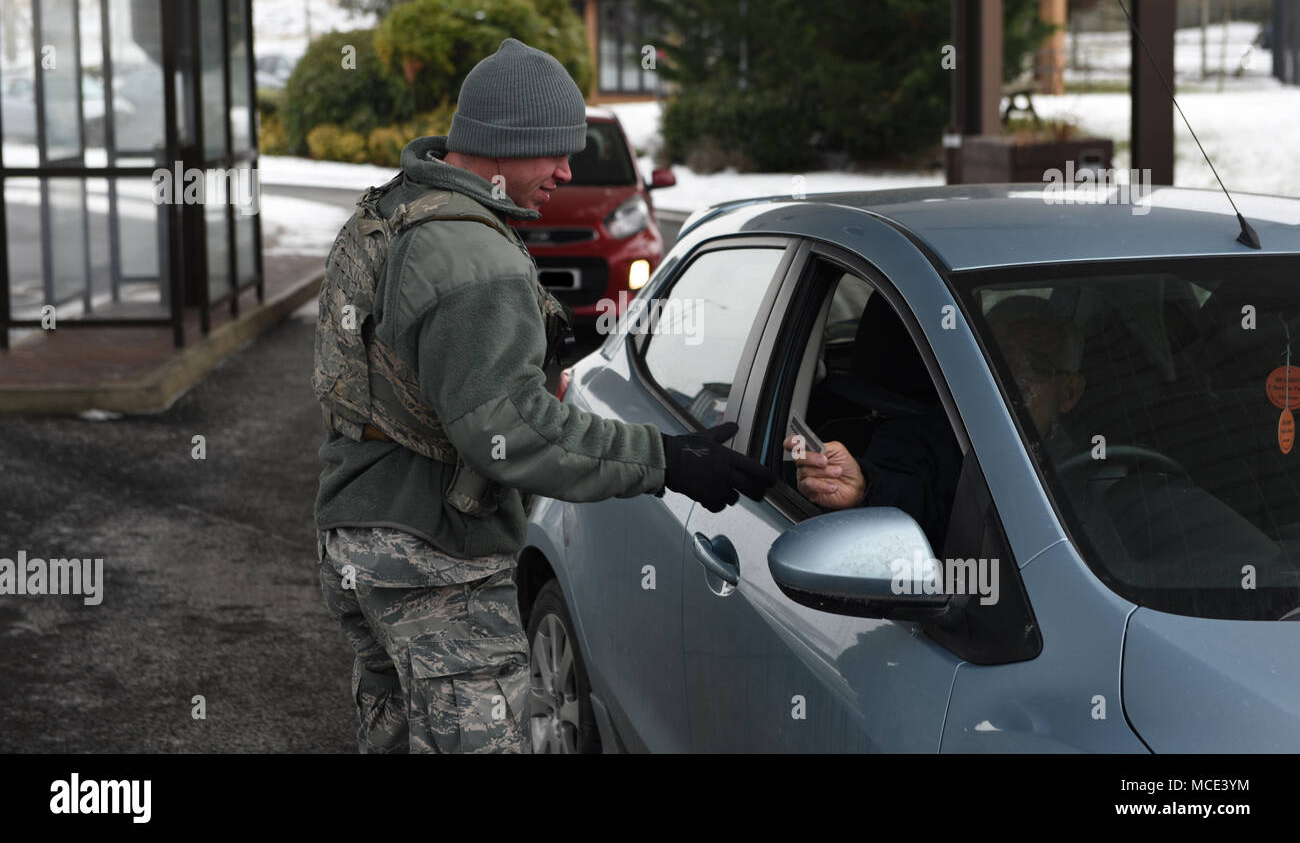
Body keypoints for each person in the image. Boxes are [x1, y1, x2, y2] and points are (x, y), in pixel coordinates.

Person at [314, 37, 775, 754]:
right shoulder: (477, 260)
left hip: (360, 537)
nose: (567, 169)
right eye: (553, 151)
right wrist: (666, 459)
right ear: (503, 144)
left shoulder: (397, 209)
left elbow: (393, 374)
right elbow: (511, 430)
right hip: (437, 558)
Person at [784, 294, 1085, 547]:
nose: (1010, 382)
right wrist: (866, 490)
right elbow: (915, 510)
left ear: (1069, 392)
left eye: (1034, 367)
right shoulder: (918, 440)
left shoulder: (1102, 461)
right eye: (996, 364)